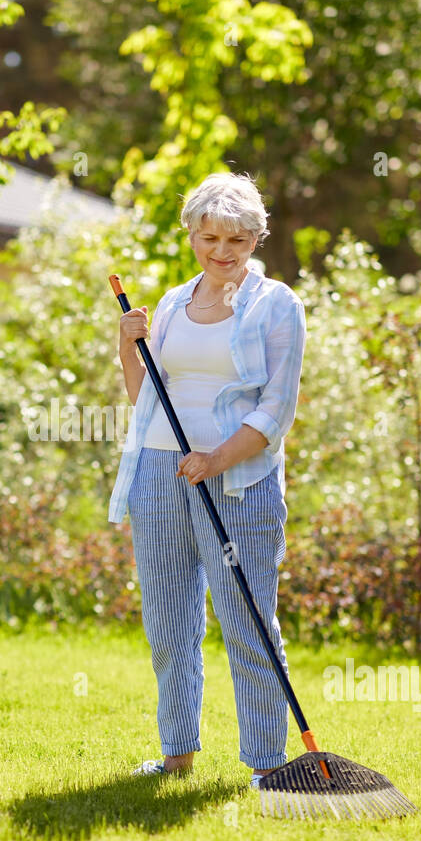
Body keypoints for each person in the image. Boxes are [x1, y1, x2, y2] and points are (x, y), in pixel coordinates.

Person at [108, 172, 308, 789]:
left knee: (248, 622)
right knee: (167, 624)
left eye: (237, 240)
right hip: (159, 473)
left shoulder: (276, 304)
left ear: (256, 238)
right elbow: (149, 400)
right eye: (210, 237)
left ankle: (268, 763)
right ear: (191, 234)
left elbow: (276, 409)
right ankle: (177, 753)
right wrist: (127, 347)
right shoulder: (171, 303)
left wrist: (217, 458)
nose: (222, 251)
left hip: (238, 480)